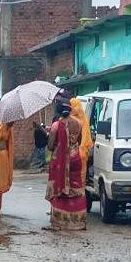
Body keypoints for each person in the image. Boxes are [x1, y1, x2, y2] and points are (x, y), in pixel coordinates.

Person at [46, 102, 87, 230]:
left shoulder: (56, 125)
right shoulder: (79, 124)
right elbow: (79, 141)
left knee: (58, 188)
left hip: (59, 160)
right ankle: (78, 221)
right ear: (70, 111)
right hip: (75, 158)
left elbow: (50, 146)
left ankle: (59, 222)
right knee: (76, 188)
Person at [68, 96, 94, 175]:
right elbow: (86, 138)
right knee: (81, 176)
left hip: (71, 152)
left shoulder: (68, 120)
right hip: (82, 152)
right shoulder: (84, 119)